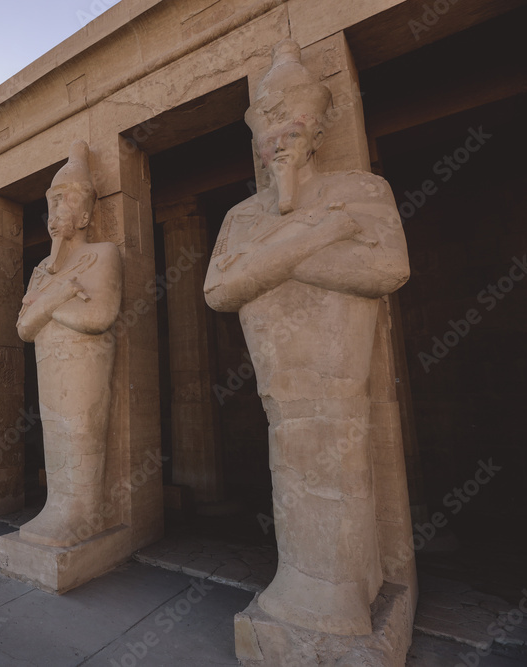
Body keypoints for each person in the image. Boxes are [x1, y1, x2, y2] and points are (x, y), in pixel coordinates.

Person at [203, 39, 409, 635]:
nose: (280, 131)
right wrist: (304, 239)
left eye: (292, 118)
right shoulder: (242, 215)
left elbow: (385, 269)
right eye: (267, 120)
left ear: (319, 127)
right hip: (278, 369)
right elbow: (219, 291)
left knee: (339, 452)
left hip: (336, 362)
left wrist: (272, 257)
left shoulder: (361, 191)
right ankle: (306, 578)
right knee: (289, 452)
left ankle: (339, 593)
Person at [17, 140, 123, 547]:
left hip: (85, 361)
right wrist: (56, 298)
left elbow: (99, 317)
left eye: (66, 200)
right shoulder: (43, 268)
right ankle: (58, 506)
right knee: (54, 430)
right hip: (50, 358)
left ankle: (82, 511)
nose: (57, 209)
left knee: (80, 429)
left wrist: (46, 304)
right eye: (53, 201)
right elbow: (24, 328)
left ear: (85, 212)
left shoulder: (102, 254)